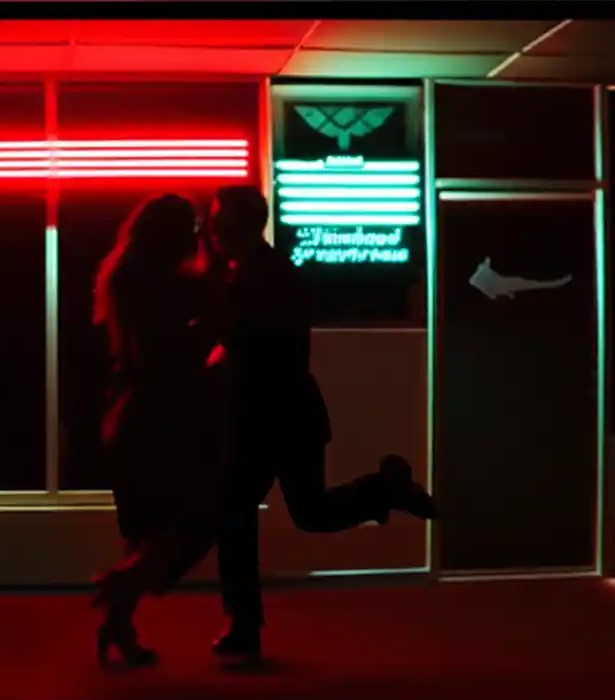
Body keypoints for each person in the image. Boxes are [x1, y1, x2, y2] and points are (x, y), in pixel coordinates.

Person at [205, 185, 438, 661]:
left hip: (273, 416)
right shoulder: (261, 273)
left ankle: (245, 627)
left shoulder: (260, 279)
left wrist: (218, 352)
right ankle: (386, 488)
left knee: (245, 514)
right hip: (288, 416)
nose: (213, 233)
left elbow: (258, 350)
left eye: (219, 223)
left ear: (244, 226)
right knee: (305, 513)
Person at [89, 194, 231, 669]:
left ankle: (118, 627)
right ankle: (120, 584)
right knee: (195, 519)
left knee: (145, 527)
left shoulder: (121, 279)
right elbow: (210, 332)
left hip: (126, 415)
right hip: (168, 415)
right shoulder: (178, 287)